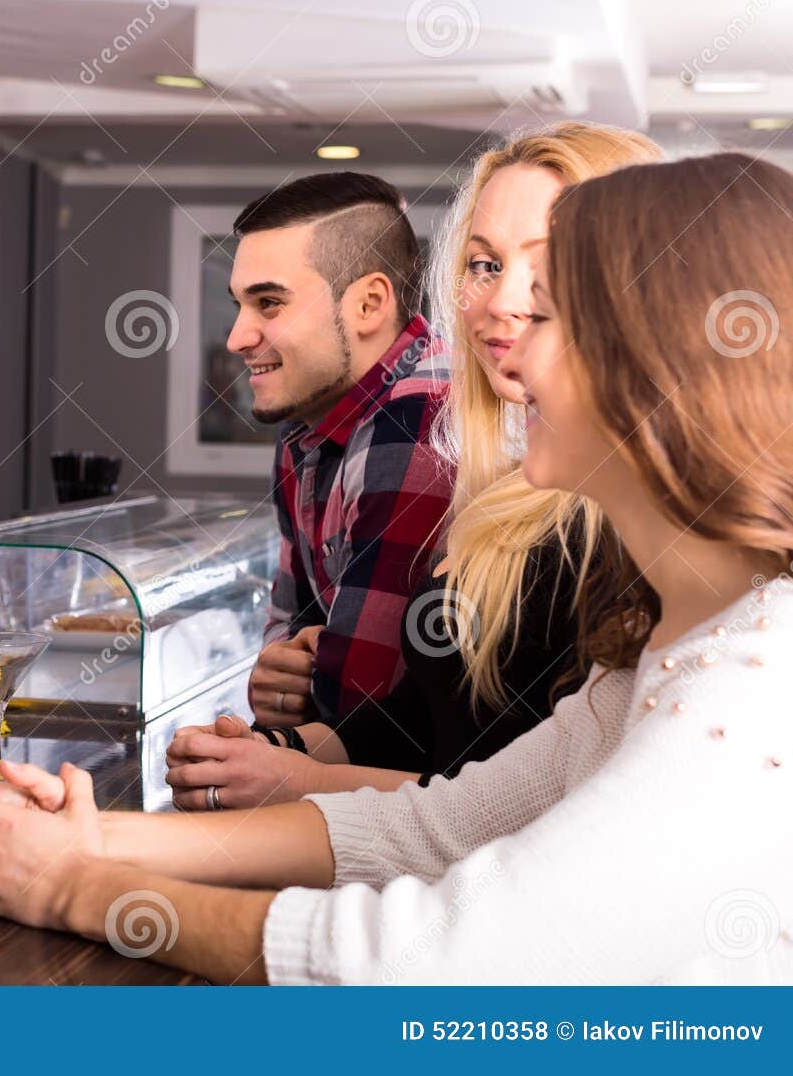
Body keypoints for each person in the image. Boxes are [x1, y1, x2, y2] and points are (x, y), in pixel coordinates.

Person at [0, 151, 793, 983]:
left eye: (549, 310)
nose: (506, 340)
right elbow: (437, 824)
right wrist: (97, 839)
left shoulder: (752, 692)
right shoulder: (669, 643)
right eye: (485, 270)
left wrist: (73, 888)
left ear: (657, 366)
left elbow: (426, 962)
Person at [166, 123, 662, 811]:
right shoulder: (513, 488)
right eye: (483, 265)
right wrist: (284, 745)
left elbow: (525, 805)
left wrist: (296, 767)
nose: (497, 301)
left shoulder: (429, 429)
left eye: (548, 266)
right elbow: (419, 715)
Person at [227, 173, 452, 734]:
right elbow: (291, 626)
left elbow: (362, 701)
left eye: (269, 304)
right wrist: (282, 676)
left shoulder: (418, 413)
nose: (237, 337)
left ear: (369, 304)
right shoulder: (305, 424)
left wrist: (308, 685)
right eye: (239, 306)